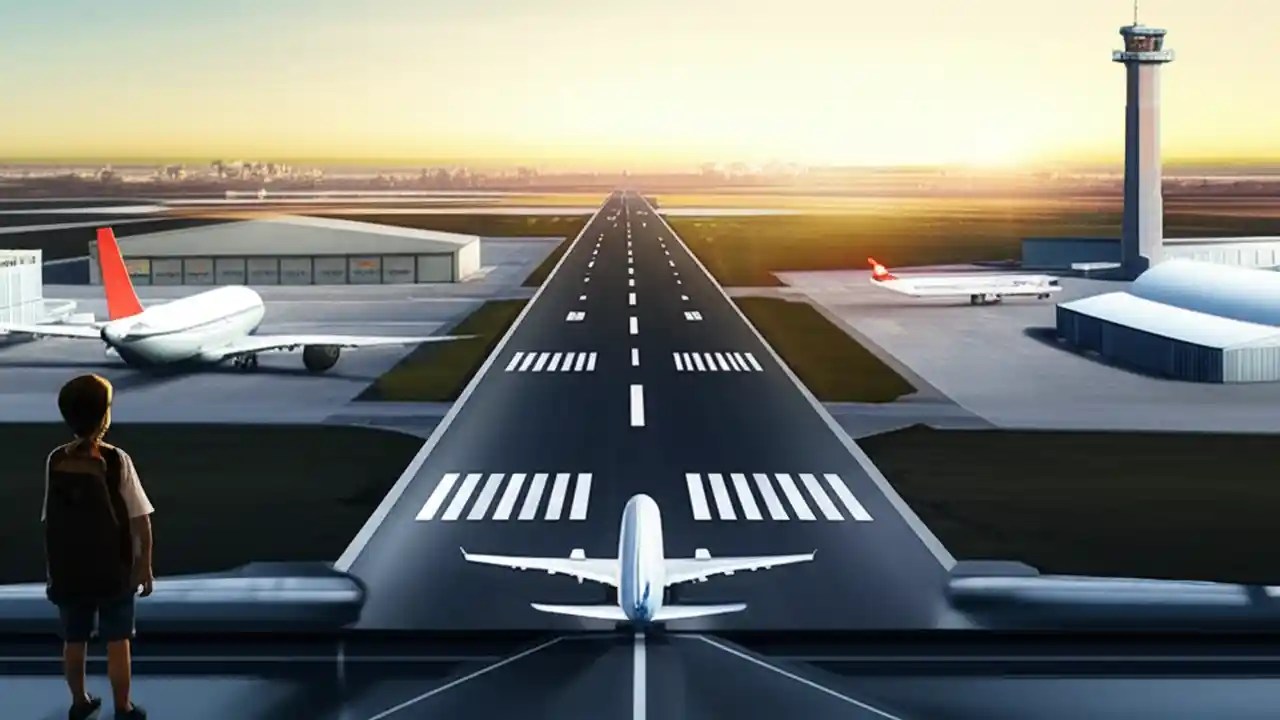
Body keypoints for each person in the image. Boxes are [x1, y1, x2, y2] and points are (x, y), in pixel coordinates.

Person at [43, 374, 154, 720]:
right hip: (113, 568)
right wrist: (143, 563)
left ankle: (80, 702)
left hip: (69, 569)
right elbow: (140, 518)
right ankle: (123, 707)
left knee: (74, 640)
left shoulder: (56, 459)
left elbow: (49, 518)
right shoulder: (117, 459)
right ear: (104, 416)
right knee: (117, 640)